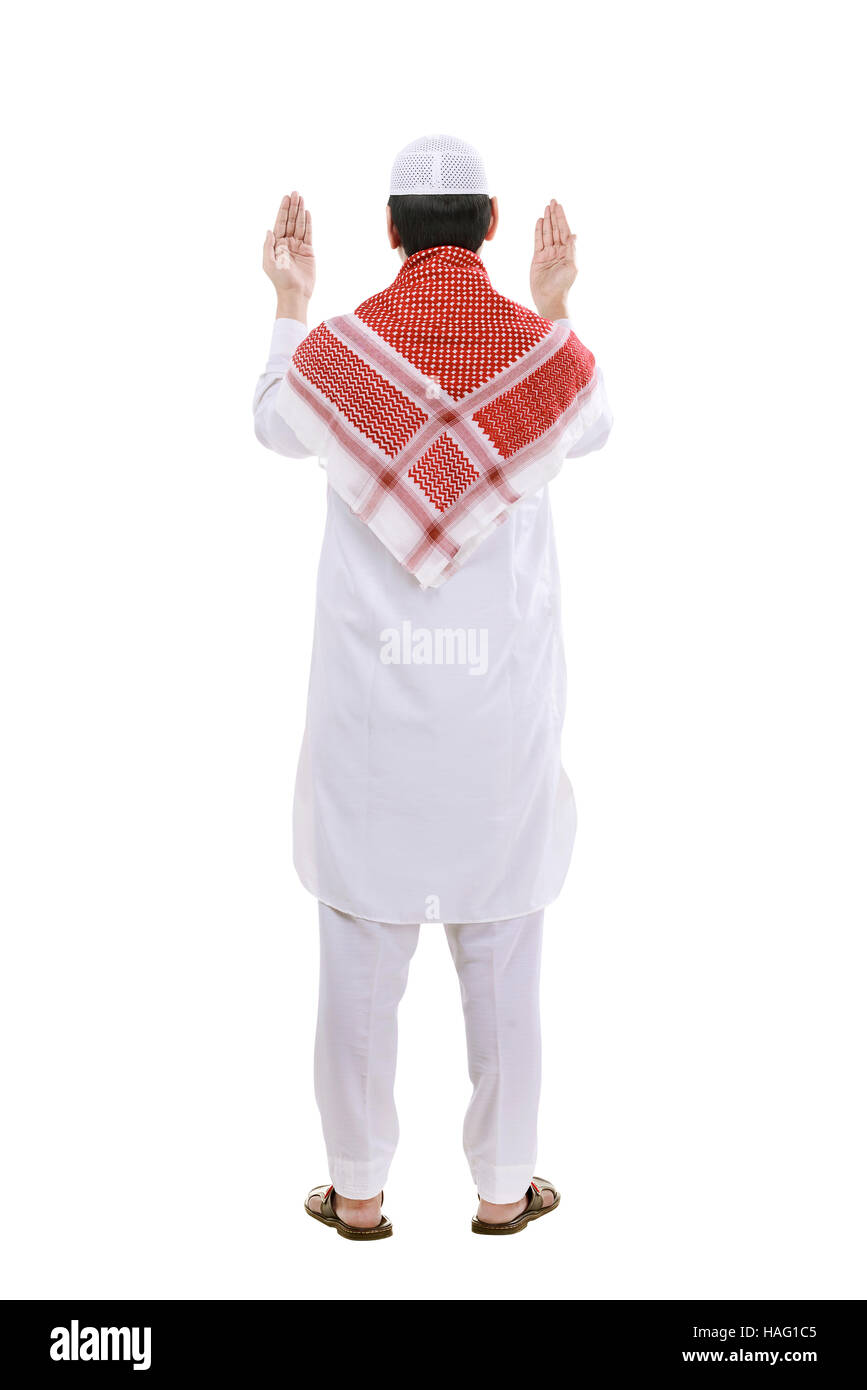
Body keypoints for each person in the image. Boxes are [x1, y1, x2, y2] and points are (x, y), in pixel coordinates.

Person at [252, 135, 612, 1240]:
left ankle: (356, 1195)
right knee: (505, 955)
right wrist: (552, 308)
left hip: (370, 724)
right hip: (497, 722)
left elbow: (271, 419)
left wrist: (289, 300)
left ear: (397, 229)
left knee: (359, 959)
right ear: (492, 225)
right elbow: (593, 420)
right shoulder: (543, 362)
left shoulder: (340, 355)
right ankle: (504, 1191)